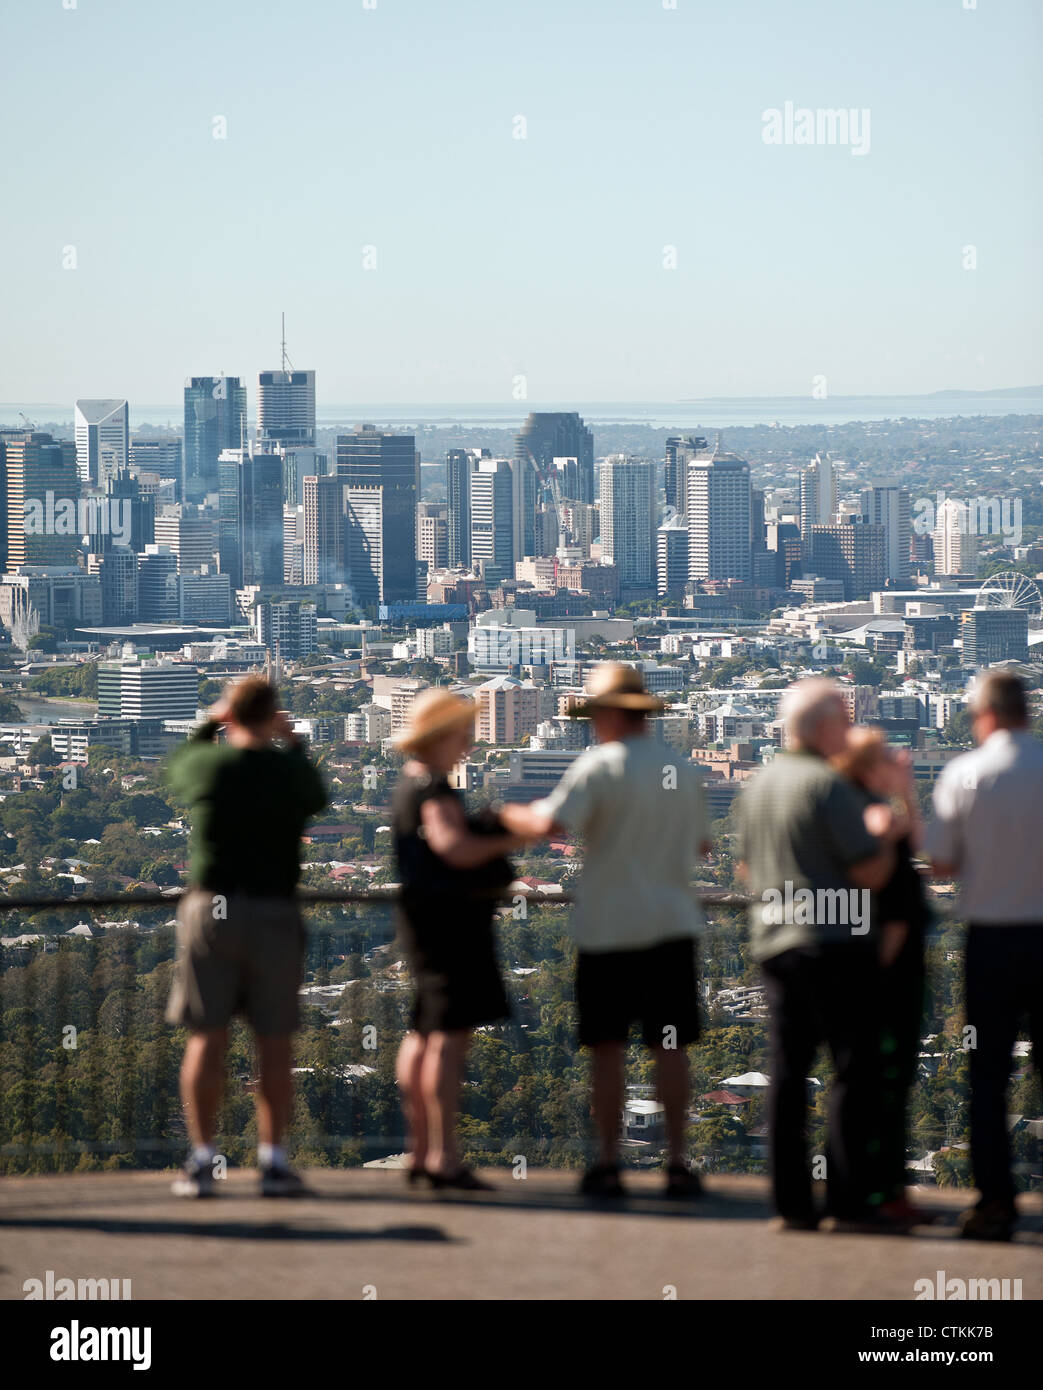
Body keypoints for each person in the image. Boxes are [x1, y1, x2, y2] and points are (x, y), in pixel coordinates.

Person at [499, 662, 711, 1199]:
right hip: (671, 924)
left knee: (607, 1048)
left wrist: (505, 817)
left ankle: (611, 1163)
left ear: (611, 715)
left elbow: (550, 824)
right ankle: (679, 1162)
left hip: (609, 928)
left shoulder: (599, 767)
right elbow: (703, 846)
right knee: (672, 1047)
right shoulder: (680, 770)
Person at [735, 679, 902, 1231]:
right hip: (836, 945)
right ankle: (846, 1200)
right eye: (844, 722)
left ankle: (790, 1204)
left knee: (787, 1072)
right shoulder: (828, 787)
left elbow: (745, 871)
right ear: (825, 727)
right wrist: (892, 832)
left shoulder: (757, 786)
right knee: (851, 1073)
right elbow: (869, 871)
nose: (850, 732)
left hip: (776, 944)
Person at [165, 676, 327, 1198]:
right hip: (275, 910)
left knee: (206, 1035)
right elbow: (316, 793)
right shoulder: (285, 770)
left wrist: (212, 722)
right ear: (273, 715)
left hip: (211, 909)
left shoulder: (212, 764)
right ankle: (273, 1161)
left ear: (232, 716)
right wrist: (294, 742)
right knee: (274, 1041)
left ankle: (203, 1159)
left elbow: (179, 769)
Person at [924, 670, 1043, 1242]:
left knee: (988, 1077)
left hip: (992, 940)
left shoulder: (964, 774)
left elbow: (941, 862)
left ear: (986, 715)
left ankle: (995, 1201)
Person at [391, 689, 520, 1191]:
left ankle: (420, 1151)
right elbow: (453, 846)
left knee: (423, 1030)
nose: (468, 743)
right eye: (463, 733)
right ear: (442, 735)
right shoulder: (433, 789)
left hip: (423, 918)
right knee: (447, 1035)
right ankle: (442, 1156)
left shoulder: (411, 783)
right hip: (449, 925)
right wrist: (509, 836)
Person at [833, 726, 931, 1224]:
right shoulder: (868, 812)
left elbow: (922, 842)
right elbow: (891, 897)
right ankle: (878, 1191)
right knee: (883, 1082)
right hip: (887, 974)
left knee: (874, 1083)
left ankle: (869, 1190)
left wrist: (906, 795)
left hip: (882, 968)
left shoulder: (866, 808)